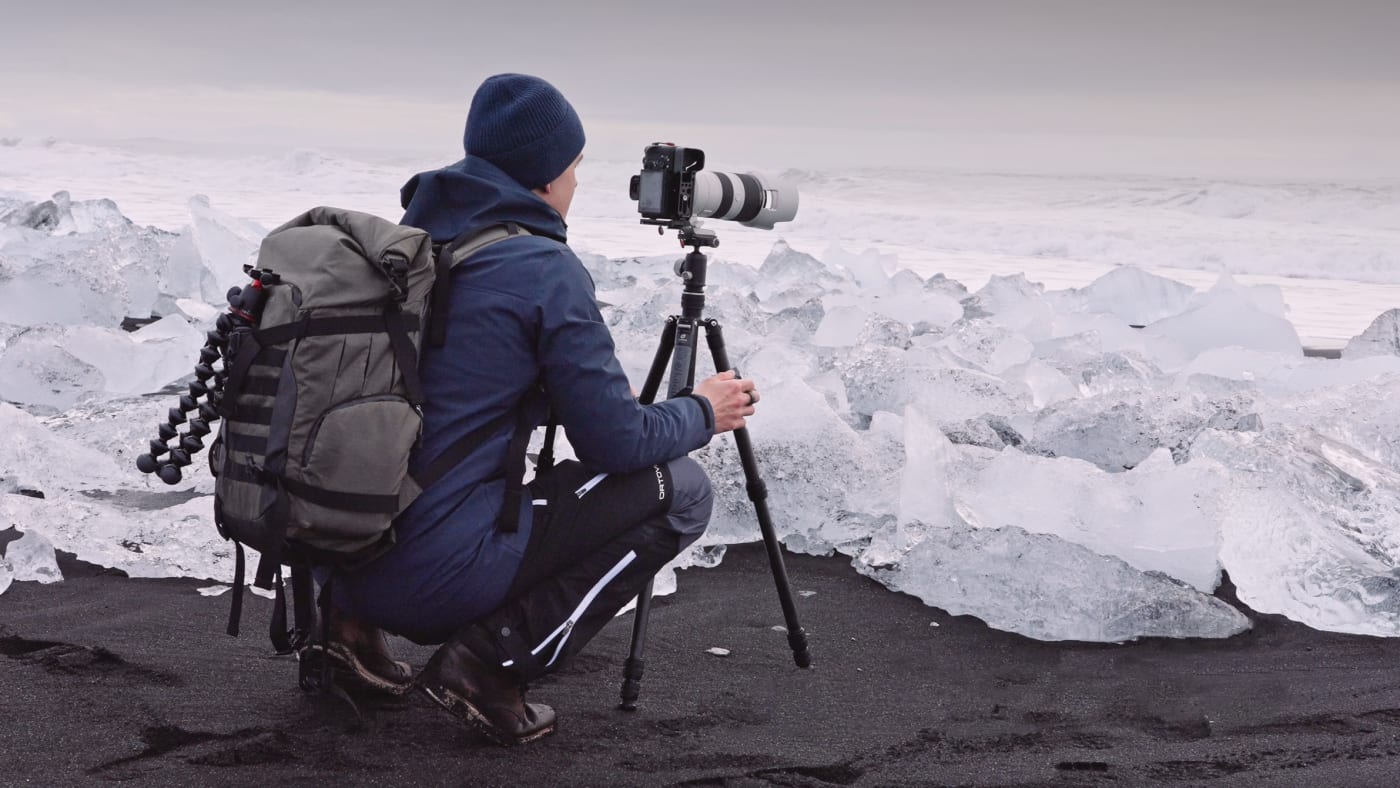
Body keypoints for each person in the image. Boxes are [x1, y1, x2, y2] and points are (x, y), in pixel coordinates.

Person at [306, 73, 760, 745]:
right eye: (575, 168)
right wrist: (701, 410)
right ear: (546, 177)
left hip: (342, 550)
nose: (576, 185)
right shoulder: (542, 268)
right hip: (437, 578)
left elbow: (447, 386)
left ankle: (344, 633)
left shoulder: (410, 248)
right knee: (683, 488)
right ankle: (488, 667)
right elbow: (619, 447)